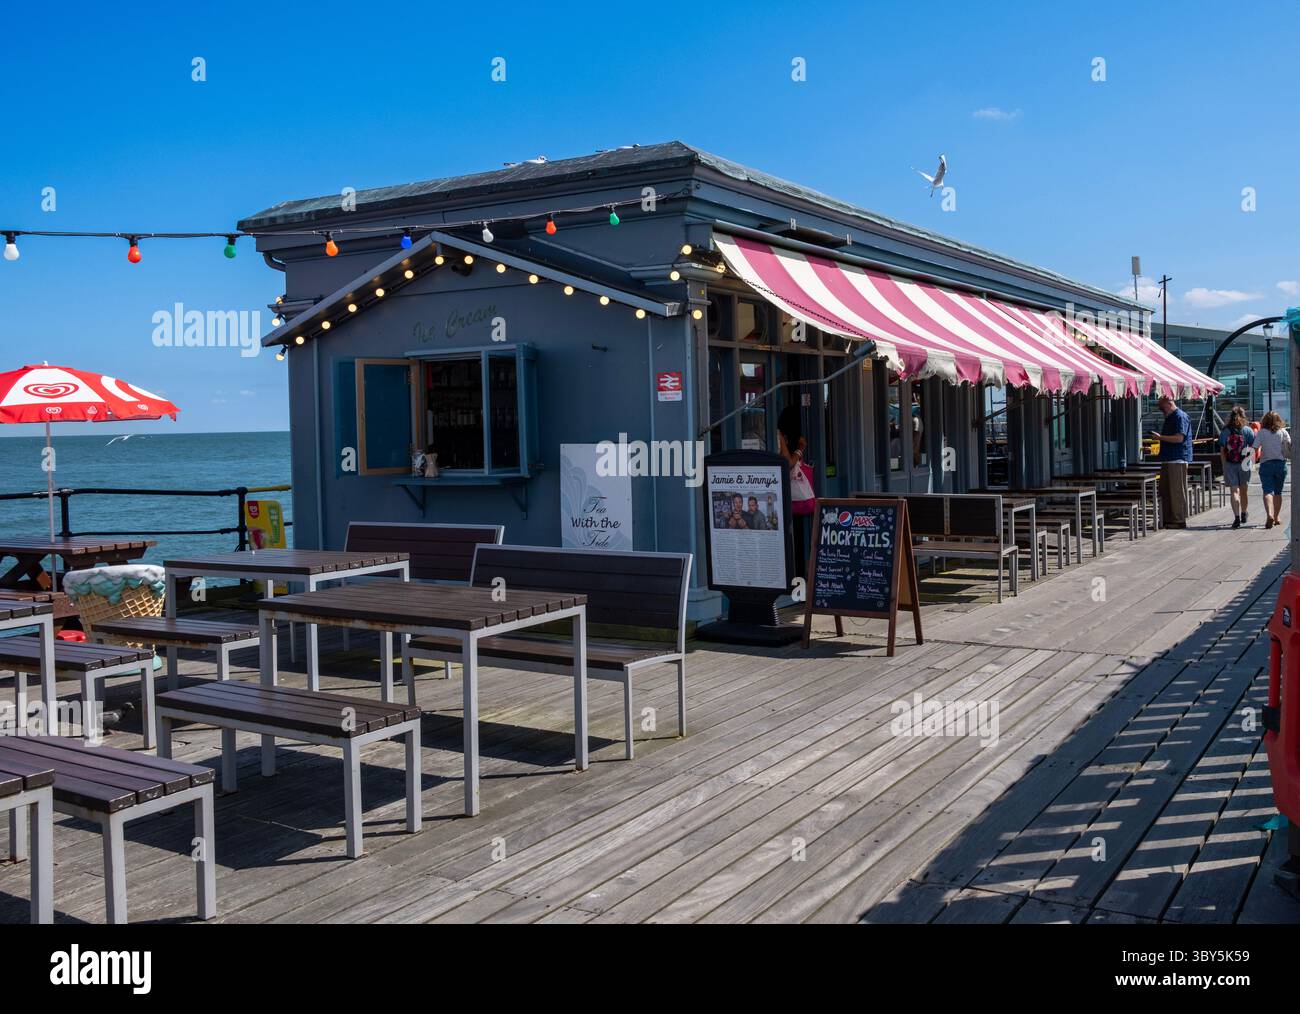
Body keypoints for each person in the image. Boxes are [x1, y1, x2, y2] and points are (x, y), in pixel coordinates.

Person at [778, 405, 815, 579]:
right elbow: (787, 463)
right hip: (783, 495)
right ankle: (796, 577)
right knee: (793, 537)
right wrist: (800, 449)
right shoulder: (780, 436)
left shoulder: (779, 434)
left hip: (781, 494)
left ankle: (796, 577)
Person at [1150, 395, 1192, 528]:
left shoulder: (1180, 417)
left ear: (1169, 403)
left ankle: (1178, 520)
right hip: (1169, 458)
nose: (1162, 411)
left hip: (1177, 458)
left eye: (1163, 408)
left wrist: (1160, 437)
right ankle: (1168, 519)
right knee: (1166, 491)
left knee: (1176, 491)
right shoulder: (1171, 417)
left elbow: (1179, 438)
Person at [1219, 405, 1256, 528]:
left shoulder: (1225, 431)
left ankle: (1236, 517)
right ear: (1243, 416)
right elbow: (1253, 448)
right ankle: (1244, 513)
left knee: (1234, 491)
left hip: (1230, 463)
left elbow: (1222, 450)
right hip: (1245, 463)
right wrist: (1251, 462)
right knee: (1244, 491)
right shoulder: (1248, 430)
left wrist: (1224, 466)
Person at [1256, 410, 1292, 529]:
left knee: (1267, 491)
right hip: (1281, 464)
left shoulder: (1262, 433)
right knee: (1278, 492)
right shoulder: (1283, 432)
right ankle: (1276, 517)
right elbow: (1289, 446)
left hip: (1266, 464)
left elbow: (1255, 447)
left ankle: (1269, 514)